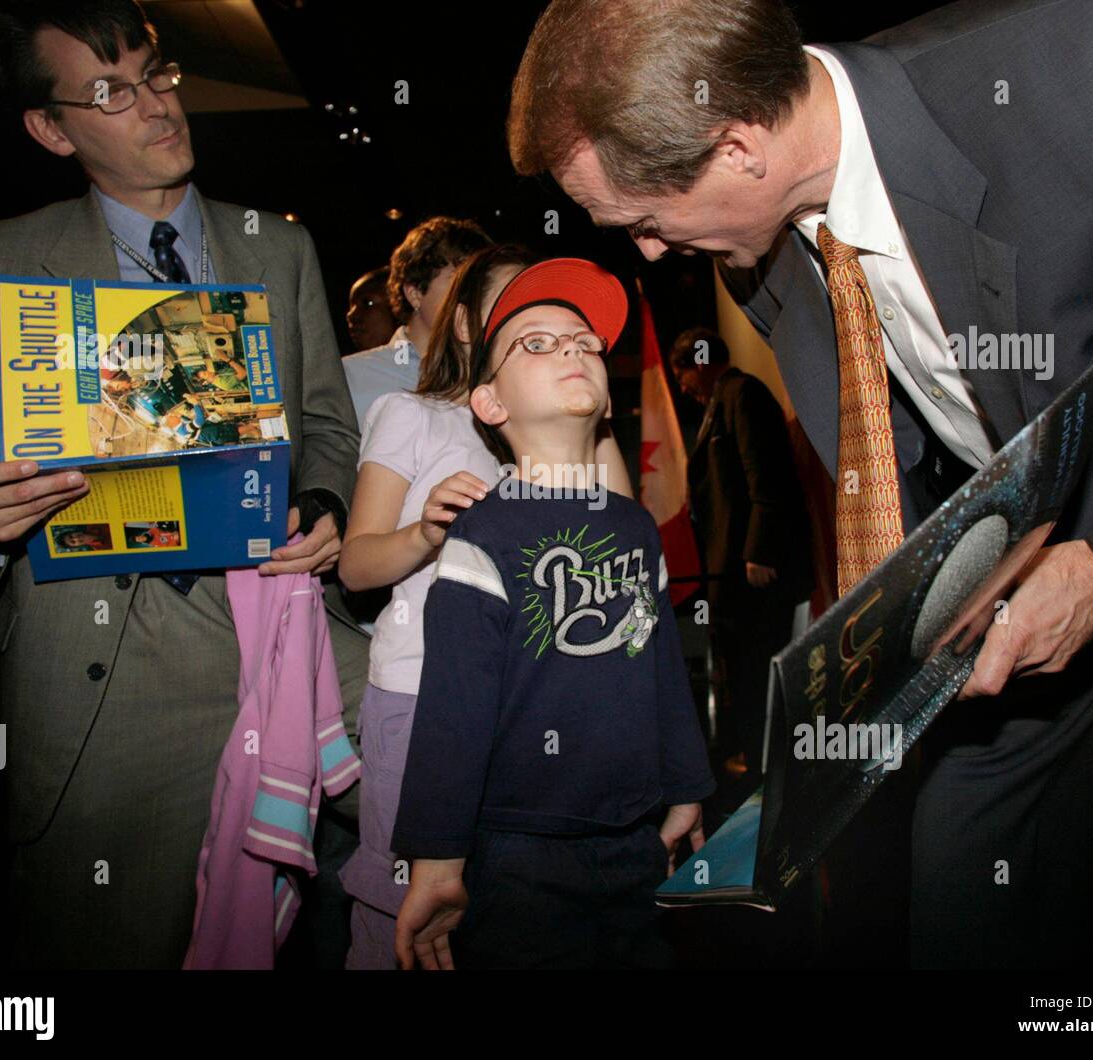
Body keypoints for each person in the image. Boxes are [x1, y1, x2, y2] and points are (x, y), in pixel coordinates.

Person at [509, 0, 1093, 967]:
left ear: (737, 146)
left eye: (645, 222)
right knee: (968, 901)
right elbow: (908, 451)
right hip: (1011, 586)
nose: (652, 253)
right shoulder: (762, 246)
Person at [0, 0, 368, 968]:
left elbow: (327, 422)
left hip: (280, 642)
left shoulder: (277, 249)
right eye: (110, 91)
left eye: (158, 74)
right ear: (50, 127)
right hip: (103, 682)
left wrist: (322, 504)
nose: (157, 106)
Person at [392, 258, 715, 970]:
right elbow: (453, 709)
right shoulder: (483, 535)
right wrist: (438, 861)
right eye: (536, 343)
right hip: (517, 852)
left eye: (585, 342)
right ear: (490, 405)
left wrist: (687, 787)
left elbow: (663, 666)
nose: (572, 348)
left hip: (635, 835)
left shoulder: (633, 527)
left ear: (604, 393)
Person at [337, 246, 634, 967]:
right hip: (419, 693)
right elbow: (356, 563)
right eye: (524, 317)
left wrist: (591, 425)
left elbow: (624, 560)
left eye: (572, 332)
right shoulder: (410, 415)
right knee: (401, 917)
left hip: (539, 710)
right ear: (469, 323)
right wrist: (425, 533)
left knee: (513, 914)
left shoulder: (573, 425)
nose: (559, 338)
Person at [670, 327, 812, 777]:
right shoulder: (718, 406)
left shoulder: (743, 393)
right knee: (746, 673)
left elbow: (765, 475)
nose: (682, 388)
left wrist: (759, 553)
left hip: (755, 574)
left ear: (700, 363)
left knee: (760, 669)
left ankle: (770, 770)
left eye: (682, 375)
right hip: (731, 577)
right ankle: (758, 761)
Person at [341, 217, 491, 429]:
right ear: (415, 293)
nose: (475, 294)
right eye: (460, 280)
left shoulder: (494, 378)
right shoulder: (350, 378)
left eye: (482, 283)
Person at [345, 266, 396, 352]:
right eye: (351, 307)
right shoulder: (346, 364)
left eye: (368, 303)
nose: (351, 315)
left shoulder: (421, 362)